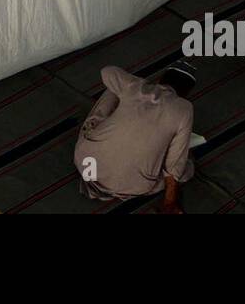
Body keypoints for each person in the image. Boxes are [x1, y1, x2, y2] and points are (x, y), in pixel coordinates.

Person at [74, 62, 197, 213]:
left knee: (112, 90)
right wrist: (170, 201)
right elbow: (173, 166)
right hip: (134, 186)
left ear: (160, 80)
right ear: (186, 93)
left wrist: (137, 83)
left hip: (85, 162)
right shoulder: (185, 108)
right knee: (183, 165)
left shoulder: (136, 87)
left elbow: (107, 71)